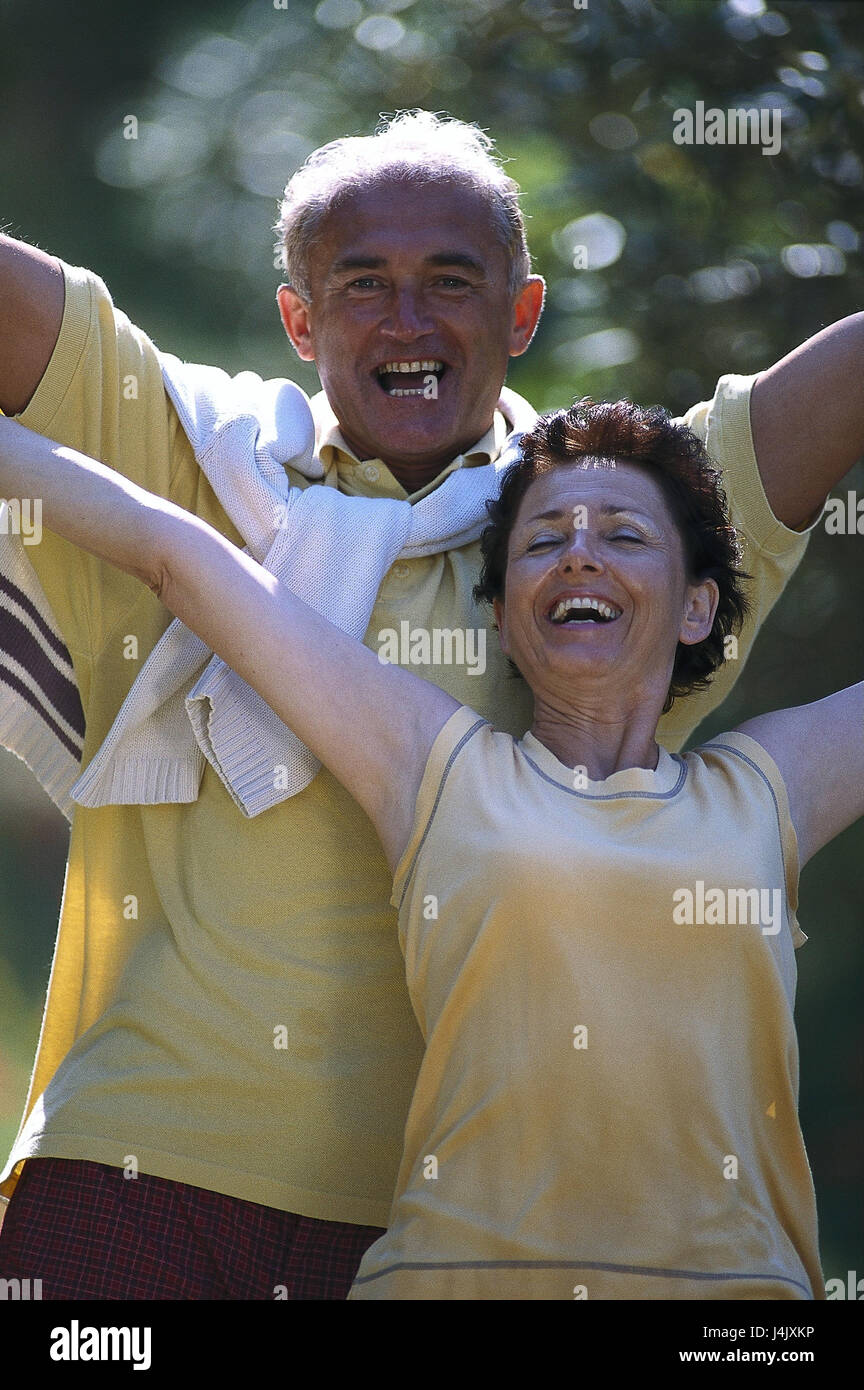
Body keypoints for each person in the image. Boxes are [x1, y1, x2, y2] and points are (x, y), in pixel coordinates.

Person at [0, 109, 861, 1299]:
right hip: (143, 1187)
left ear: (523, 312)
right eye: (362, 284)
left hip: (446, 1237)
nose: (407, 319)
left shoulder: (595, 539)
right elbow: (153, 527)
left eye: (452, 280)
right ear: (300, 318)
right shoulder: (194, 457)